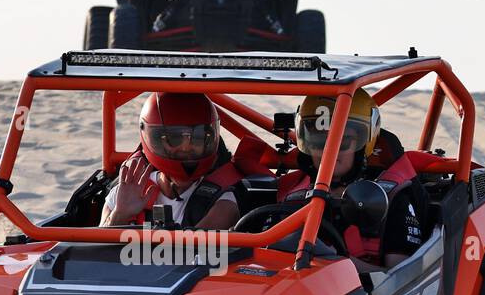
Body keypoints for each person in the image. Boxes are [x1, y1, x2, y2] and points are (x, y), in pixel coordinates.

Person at [278, 89, 430, 270]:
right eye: (318, 141)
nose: (329, 151)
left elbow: (402, 281)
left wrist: (334, 262)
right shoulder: (293, 192)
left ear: (365, 142)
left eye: (342, 141)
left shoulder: (392, 198)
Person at [100, 92, 243, 230]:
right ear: (155, 140)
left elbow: (188, 253)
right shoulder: (125, 192)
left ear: (209, 140)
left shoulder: (222, 203)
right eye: (174, 138)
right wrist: (120, 214)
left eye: (197, 137)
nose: (186, 147)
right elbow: (96, 248)